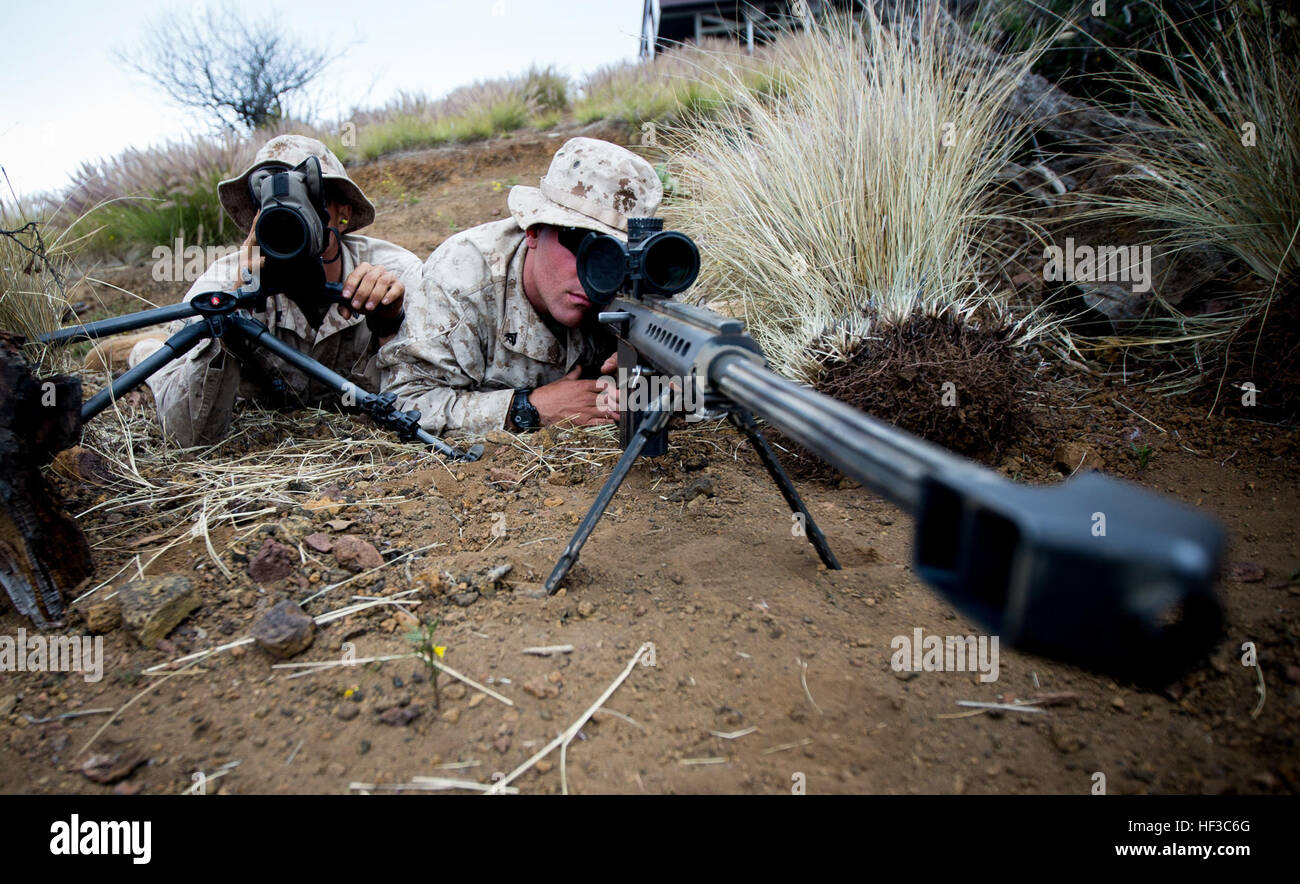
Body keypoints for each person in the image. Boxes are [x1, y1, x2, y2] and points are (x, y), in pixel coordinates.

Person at [124, 135, 420, 447]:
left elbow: (424, 397)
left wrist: (390, 323)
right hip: (257, 394)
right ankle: (145, 352)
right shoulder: (222, 283)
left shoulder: (392, 272)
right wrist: (232, 305)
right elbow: (190, 437)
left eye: (308, 198)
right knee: (158, 363)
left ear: (342, 216)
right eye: (268, 201)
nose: (287, 213)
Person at [377, 137, 663, 435]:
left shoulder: (635, 285)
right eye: (580, 245)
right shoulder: (461, 280)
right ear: (533, 230)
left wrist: (662, 375)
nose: (593, 275)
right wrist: (526, 408)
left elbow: (699, 365)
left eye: (615, 257)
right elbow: (404, 403)